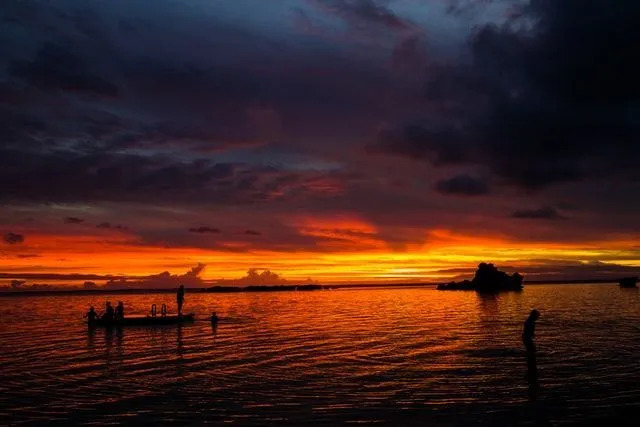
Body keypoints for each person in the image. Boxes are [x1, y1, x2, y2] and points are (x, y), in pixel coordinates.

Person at [522, 309, 540, 380]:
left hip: (525, 337)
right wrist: (532, 334)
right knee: (532, 351)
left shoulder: (529, 321)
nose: (537, 318)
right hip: (527, 338)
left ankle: (530, 363)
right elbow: (530, 331)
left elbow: (529, 331)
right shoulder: (531, 322)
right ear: (534, 316)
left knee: (531, 351)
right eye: (537, 316)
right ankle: (531, 367)